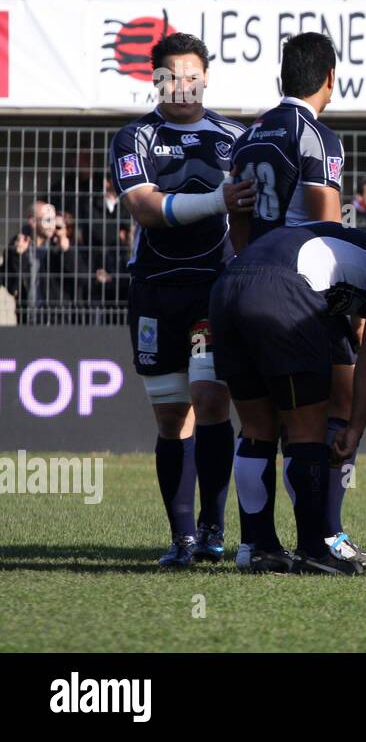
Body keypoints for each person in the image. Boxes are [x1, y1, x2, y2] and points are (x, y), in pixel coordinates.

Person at [108, 33, 252, 567]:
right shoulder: (134, 138)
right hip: (155, 290)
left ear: (207, 77)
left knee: (213, 403)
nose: (182, 85)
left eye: (192, 75)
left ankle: (214, 532)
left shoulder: (236, 137)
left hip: (214, 290)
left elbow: (249, 216)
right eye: (171, 75)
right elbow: (144, 208)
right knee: (172, 418)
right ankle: (182, 538)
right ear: (156, 79)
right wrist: (217, 198)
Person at [211, 222, 366, 575]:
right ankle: (314, 550)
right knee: (306, 430)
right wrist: (355, 426)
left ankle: (259, 548)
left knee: (255, 428)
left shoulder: (360, 251)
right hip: (281, 288)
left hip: (227, 285)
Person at [229, 33, 345, 250]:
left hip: (247, 267)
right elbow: (329, 231)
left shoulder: (246, 137)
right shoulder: (317, 137)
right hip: (292, 272)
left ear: (285, 78)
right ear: (331, 76)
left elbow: (237, 221)